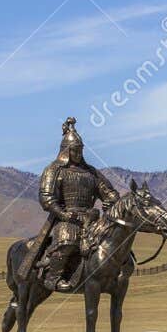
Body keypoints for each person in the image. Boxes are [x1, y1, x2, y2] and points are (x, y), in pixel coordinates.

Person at [35, 117, 118, 291]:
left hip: (91, 218)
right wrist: (63, 214)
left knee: (112, 240)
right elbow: (46, 198)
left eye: (80, 150)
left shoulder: (91, 172)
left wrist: (112, 200)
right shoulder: (55, 170)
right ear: (66, 150)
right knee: (67, 240)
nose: (78, 153)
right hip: (67, 218)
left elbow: (107, 192)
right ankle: (53, 277)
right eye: (75, 150)